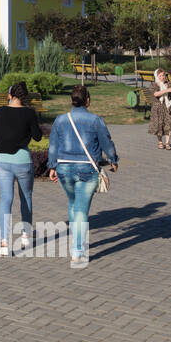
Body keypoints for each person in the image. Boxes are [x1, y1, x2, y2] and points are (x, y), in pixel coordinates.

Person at [47, 85, 119, 266]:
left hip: (64, 167)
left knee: (73, 204)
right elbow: (106, 142)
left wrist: (52, 166)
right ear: (87, 100)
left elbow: (53, 145)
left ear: (71, 100)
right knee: (80, 209)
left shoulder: (60, 120)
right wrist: (113, 159)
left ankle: (75, 243)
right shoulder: (95, 120)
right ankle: (77, 250)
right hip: (86, 168)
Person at [0, 81, 42, 256]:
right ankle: (26, 234)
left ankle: (4, 242)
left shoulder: (0, 111)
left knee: (6, 199)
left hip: (3, 162)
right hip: (22, 161)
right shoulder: (29, 113)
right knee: (26, 197)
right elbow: (37, 136)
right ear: (25, 96)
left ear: (10, 95)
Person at [148, 67, 171, 150]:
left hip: (168, 107)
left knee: (169, 124)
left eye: (164, 75)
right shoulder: (153, 85)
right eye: (160, 76)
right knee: (159, 125)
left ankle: (168, 143)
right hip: (158, 107)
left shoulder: (168, 84)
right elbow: (156, 94)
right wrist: (168, 90)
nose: (162, 77)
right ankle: (160, 142)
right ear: (157, 77)